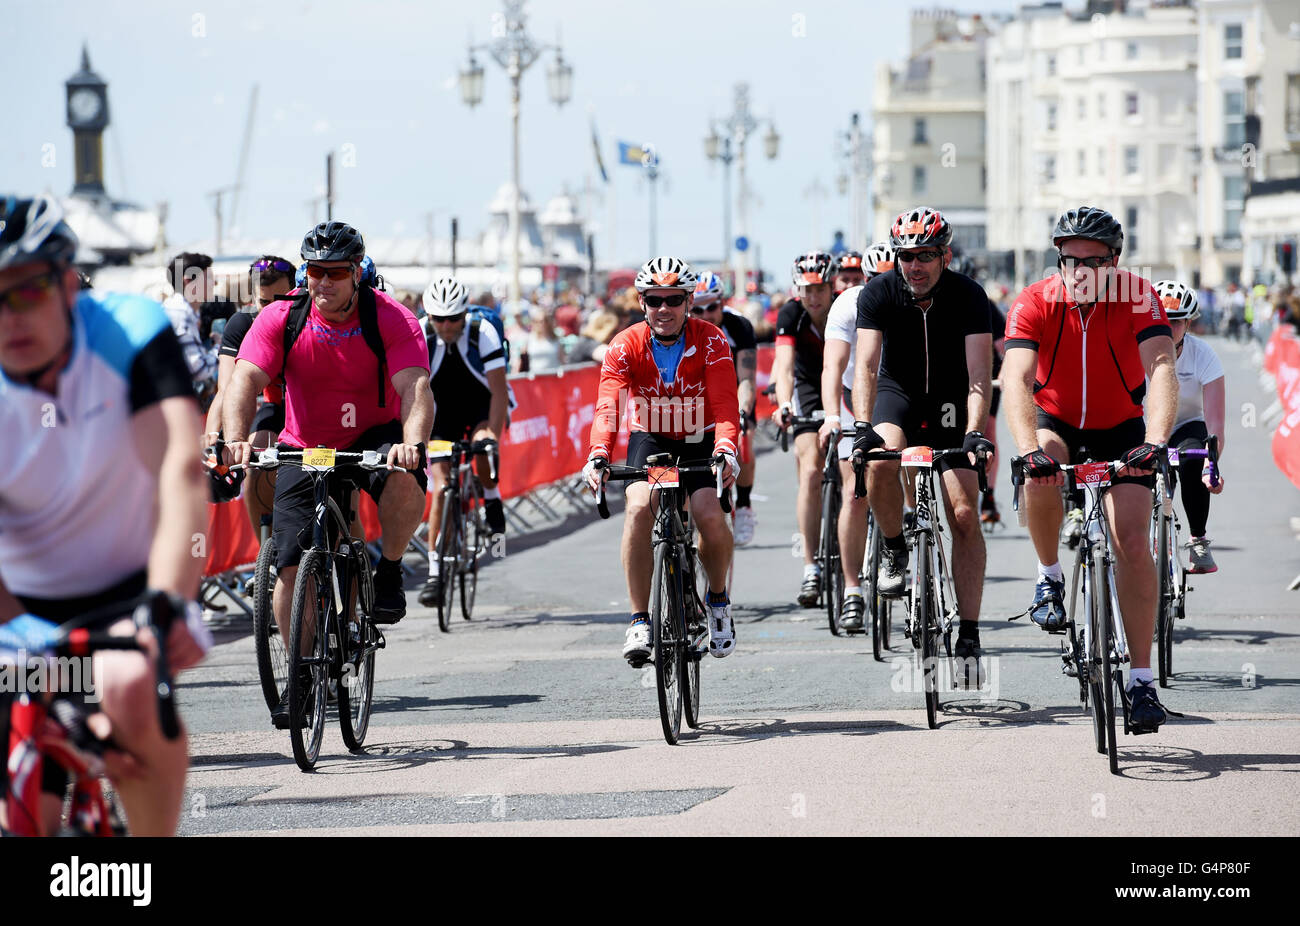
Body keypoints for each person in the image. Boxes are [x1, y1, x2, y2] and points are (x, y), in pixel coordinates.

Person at [0, 195, 209, 835]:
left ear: (69, 283)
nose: (9, 318)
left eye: (26, 291)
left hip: (130, 591)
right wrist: (19, 635)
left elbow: (181, 467)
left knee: (127, 687)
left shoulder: (129, 332)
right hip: (17, 602)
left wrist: (169, 598)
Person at [221, 221, 432, 728]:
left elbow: (416, 388)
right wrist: (234, 438)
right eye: (316, 271)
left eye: (336, 272)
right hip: (306, 443)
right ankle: (301, 674)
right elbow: (243, 383)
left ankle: (389, 571)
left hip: (372, 436)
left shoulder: (392, 319)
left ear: (357, 272)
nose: (324, 282)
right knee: (291, 566)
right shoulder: (281, 317)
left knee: (406, 478)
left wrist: (412, 445)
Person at [1001, 205, 1177, 733]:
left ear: (1115, 261)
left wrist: (1156, 441)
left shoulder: (1138, 297)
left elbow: (1162, 365)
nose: (1079, 271)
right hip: (1057, 422)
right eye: (1069, 259)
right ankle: (1049, 576)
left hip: (1122, 428)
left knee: (1130, 540)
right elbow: (1015, 376)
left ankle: (1142, 682)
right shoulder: (1035, 300)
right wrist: (1028, 445)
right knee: (1041, 467)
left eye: (1093, 261)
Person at [852, 208, 993, 666]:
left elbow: (979, 373)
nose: (915, 266)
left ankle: (969, 631)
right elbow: (868, 366)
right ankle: (894, 546)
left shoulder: (969, 296)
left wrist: (974, 432)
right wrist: (861, 426)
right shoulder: (878, 292)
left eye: (925, 256)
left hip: (953, 400)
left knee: (965, 513)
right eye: (907, 256)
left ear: (944, 256)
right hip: (900, 395)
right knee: (877, 459)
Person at [583, 257, 741, 664]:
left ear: (689, 302)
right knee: (638, 509)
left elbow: (725, 404)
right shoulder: (625, 344)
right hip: (650, 437)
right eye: (655, 300)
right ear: (642, 302)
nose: (664, 309)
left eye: (674, 300)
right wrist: (598, 453)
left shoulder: (713, 341)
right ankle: (639, 619)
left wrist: (726, 448)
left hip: (700, 438)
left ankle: (719, 601)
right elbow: (608, 407)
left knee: (708, 513)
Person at [418, 276, 511, 607]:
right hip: (440, 414)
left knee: (483, 447)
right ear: (428, 315)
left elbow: (499, 391)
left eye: (453, 318)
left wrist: (493, 439)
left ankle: (491, 496)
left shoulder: (481, 332)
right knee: (442, 487)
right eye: (438, 318)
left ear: (464, 314)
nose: (446, 326)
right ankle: (433, 574)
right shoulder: (421, 334)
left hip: (480, 405)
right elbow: (413, 396)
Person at [819, 241, 893, 630]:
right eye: (872, 280)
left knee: (911, 472)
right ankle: (851, 589)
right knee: (854, 491)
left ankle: (911, 563)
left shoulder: (911, 299)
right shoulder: (848, 304)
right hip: (856, 396)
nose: (880, 286)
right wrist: (832, 415)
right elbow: (833, 366)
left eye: (887, 278)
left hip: (900, 395)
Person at [203, 255, 297, 535]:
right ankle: (266, 557)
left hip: (314, 412)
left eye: (280, 301)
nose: (271, 311)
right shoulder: (242, 324)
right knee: (256, 465)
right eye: (263, 303)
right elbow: (227, 389)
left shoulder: (311, 319)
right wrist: (211, 438)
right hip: (277, 408)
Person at [773, 251, 835, 607]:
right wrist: (784, 404)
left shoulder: (845, 308)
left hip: (841, 386)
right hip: (809, 389)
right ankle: (811, 564)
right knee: (810, 470)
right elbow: (783, 367)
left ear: (831, 287)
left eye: (820, 288)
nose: (813, 297)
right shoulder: (791, 314)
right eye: (806, 289)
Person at [1152, 280, 1227, 573]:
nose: (1168, 328)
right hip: (1145, 426)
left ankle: (1198, 540)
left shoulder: (1204, 355)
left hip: (1187, 425)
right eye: (1160, 320)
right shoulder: (1132, 350)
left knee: (1194, 458)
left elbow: (1215, 424)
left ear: (1187, 323)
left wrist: (1213, 466)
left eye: (1176, 321)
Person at [692, 271, 759, 544]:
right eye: (698, 309)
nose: (706, 314)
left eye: (712, 307)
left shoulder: (739, 326)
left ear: (722, 302)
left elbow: (746, 379)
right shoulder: (683, 328)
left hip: (732, 394)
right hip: (696, 399)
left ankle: (743, 505)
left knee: (743, 439)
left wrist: (742, 414)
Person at [162, 250, 219, 410]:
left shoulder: (178, 310)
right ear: (188, 282)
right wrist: (220, 346)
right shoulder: (180, 314)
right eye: (208, 278)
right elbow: (200, 369)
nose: (214, 283)